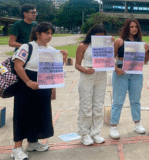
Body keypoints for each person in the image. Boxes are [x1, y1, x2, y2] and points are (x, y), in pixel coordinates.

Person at [11, 22, 68, 160]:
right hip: (26, 86)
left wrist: (63, 58)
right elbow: (18, 66)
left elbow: (55, 70)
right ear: (38, 33)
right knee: (22, 115)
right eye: (47, 33)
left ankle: (33, 143)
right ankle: (16, 149)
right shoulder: (27, 47)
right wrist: (28, 82)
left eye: (51, 34)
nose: (49, 36)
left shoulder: (51, 49)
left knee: (39, 114)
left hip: (43, 87)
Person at [109, 19, 149, 139]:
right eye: (131, 26)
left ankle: (137, 123)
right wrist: (115, 69)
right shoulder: (119, 41)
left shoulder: (141, 43)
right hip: (121, 72)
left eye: (136, 26)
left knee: (135, 100)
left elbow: (145, 61)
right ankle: (113, 126)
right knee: (118, 100)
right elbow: (110, 58)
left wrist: (146, 51)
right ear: (127, 28)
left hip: (136, 73)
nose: (134, 29)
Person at [75, 24, 110, 145]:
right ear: (92, 34)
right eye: (97, 34)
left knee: (98, 105)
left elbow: (111, 59)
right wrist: (85, 70)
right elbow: (77, 64)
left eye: (102, 34)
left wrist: (111, 45)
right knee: (86, 106)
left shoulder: (106, 46)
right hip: (87, 76)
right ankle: (84, 133)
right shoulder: (83, 46)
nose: (100, 36)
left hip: (101, 76)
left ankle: (95, 132)